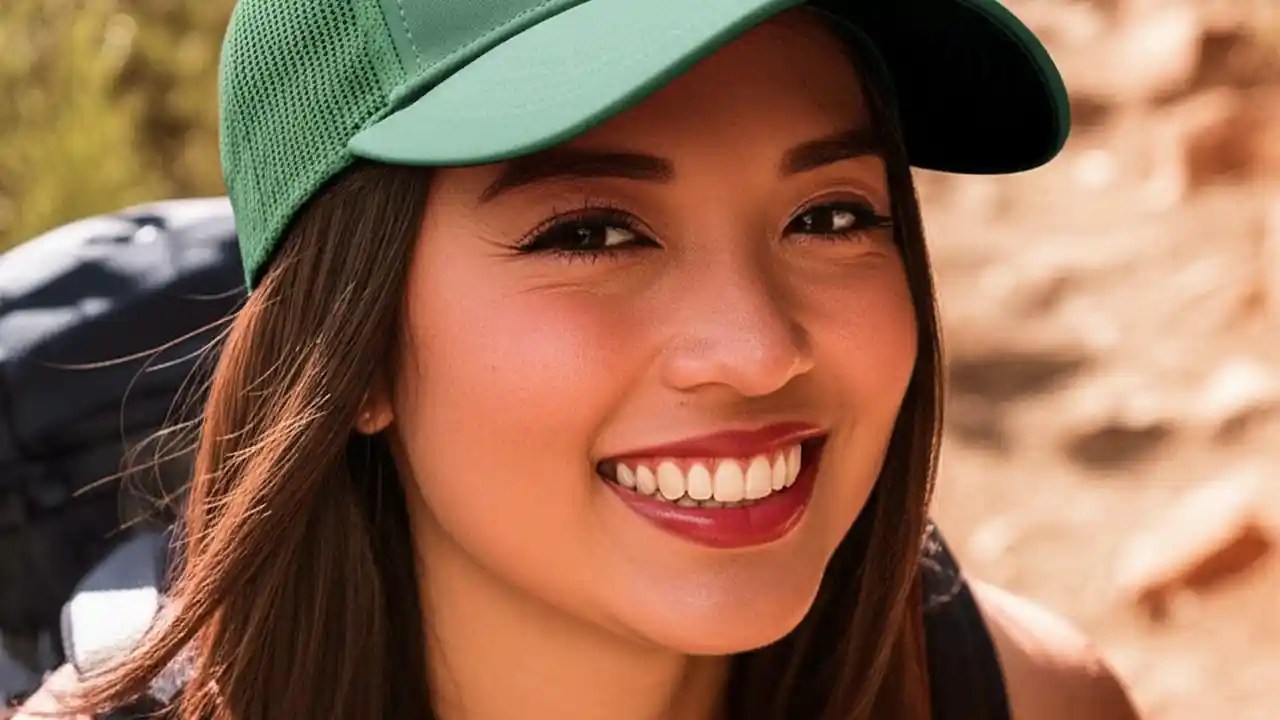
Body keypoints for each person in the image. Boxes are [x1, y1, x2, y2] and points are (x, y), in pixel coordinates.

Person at [17, 0, 1141, 718]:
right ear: (348, 354)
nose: (757, 351)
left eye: (830, 216)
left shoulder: (1028, 700)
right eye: (593, 234)